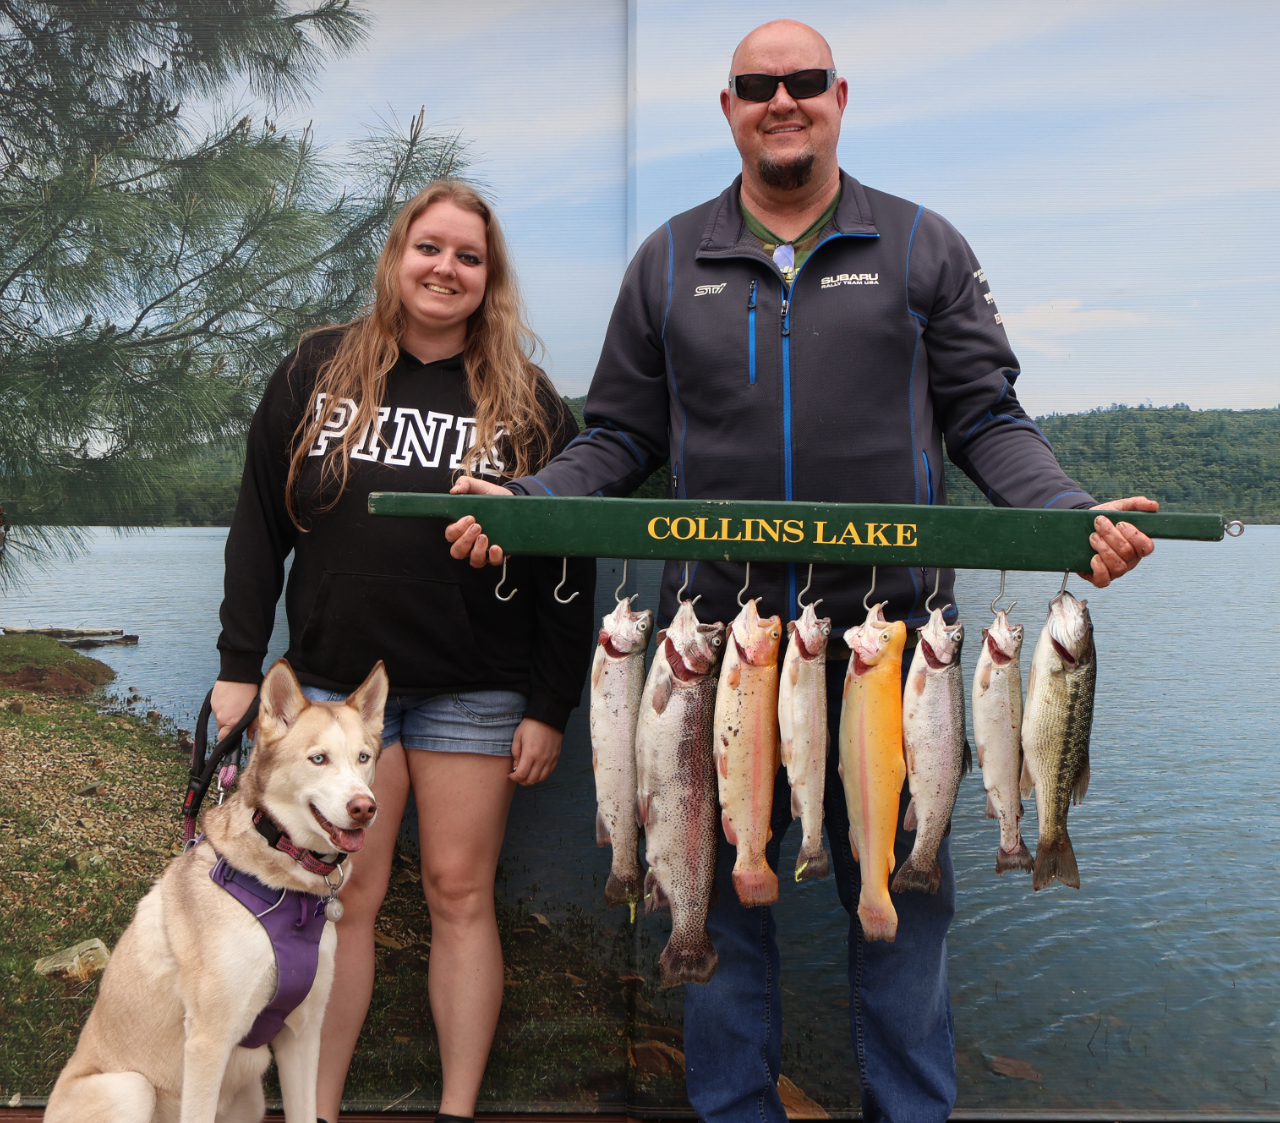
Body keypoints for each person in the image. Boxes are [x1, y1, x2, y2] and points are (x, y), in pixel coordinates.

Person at [446, 20, 1158, 1123]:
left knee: (903, 917)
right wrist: (533, 505)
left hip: (889, 657)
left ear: (839, 97)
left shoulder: (923, 245)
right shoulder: (669, 258)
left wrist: (1068, 516)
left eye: (803, 81)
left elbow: (985, 419)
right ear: (725, 108)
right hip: (716, 653)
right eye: (756, 85)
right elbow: (617, 438)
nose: (782, 99)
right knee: (720, 911)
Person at [211, 178, 595, 1123]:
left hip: (476, 690)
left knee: (461, 894)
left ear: (489, 278)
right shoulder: (316, 369)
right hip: (337, 695)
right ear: (396, 254)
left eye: (469, 256)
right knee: (346, 901)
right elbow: (260, 522)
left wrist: (549, 704)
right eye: (430, 247)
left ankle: (456, 1110)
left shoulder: (530, 402)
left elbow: (569, 566)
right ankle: (317, 1111)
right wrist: (235, 664)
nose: (446, 268)